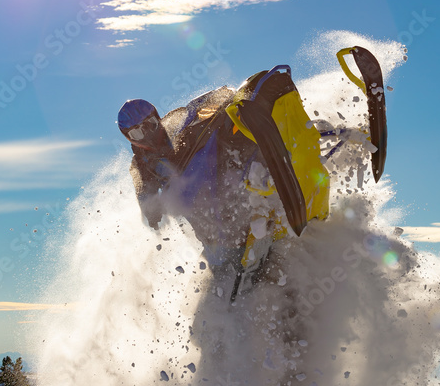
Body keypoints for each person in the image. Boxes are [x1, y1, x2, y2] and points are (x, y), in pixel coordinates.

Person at [118, 49, 386, 301]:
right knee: (193, 201)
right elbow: (147, 202)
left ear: (157, 117)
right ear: (130, 138)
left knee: (231, 126)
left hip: (226, 176)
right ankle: (233, 282)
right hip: (212, 222)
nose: (149, 133)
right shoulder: (142, 166)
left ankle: (300, 140)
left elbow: (203, 105)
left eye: (150, 124)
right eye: (138, 132)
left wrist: (228, 99)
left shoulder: (175, 122)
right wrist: (153, 207)